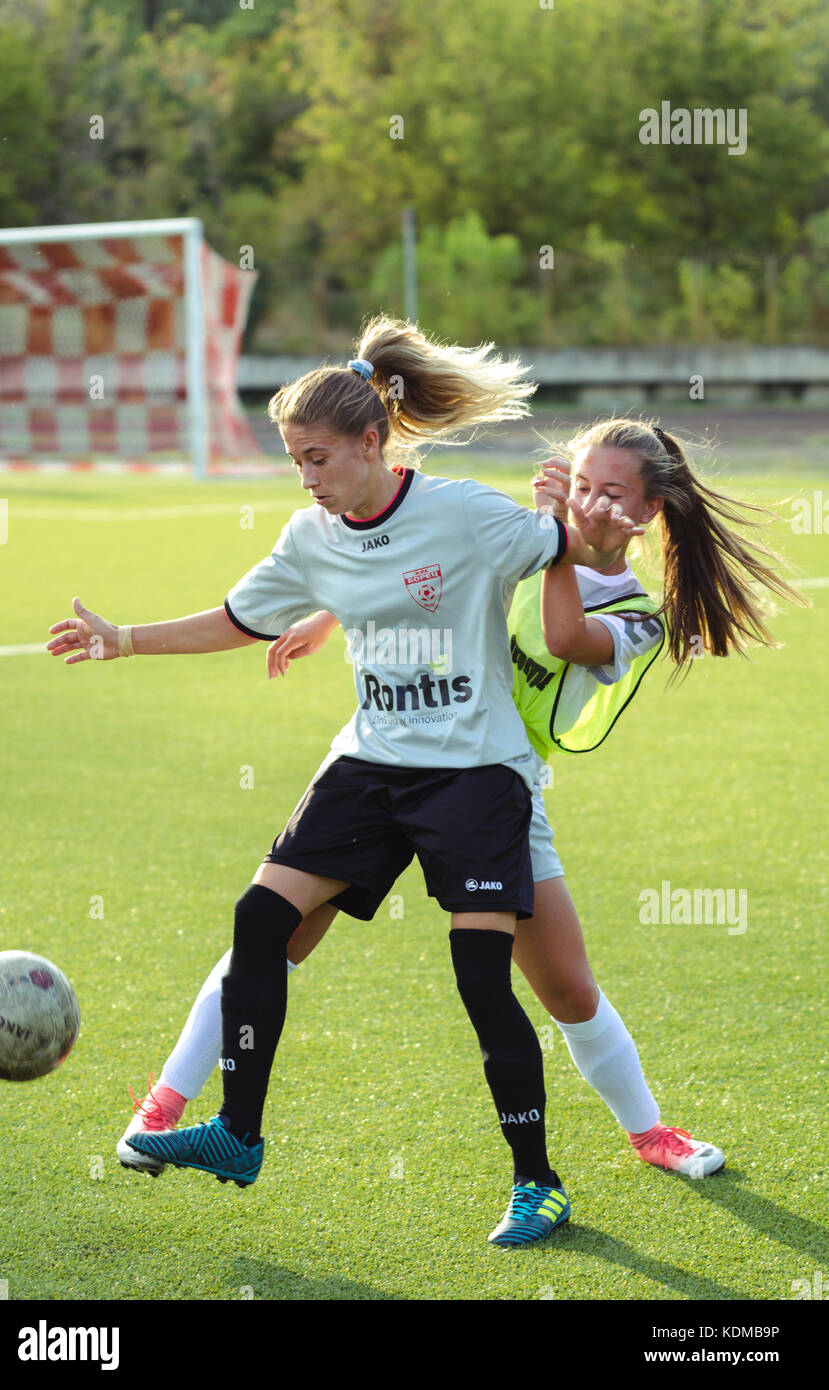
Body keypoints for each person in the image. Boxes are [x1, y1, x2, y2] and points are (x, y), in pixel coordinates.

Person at [48, 317, 644, 1247]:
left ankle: (538, 1182)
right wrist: (123, 638)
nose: (307, 478)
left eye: (317, 457)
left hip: (474, 776)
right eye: (295, 462)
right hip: (370, 766)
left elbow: (566, 553)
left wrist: (599, 537)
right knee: (258, 920)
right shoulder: (311, 533)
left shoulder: (461, 512)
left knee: (483, 980)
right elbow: (240, 618)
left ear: (372, 442)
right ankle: (238, 1133)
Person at [114, 418, 803, 1199]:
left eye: (609, 493)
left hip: (492, 787)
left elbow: (563, 633)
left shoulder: (639, 610)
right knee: (274, 932)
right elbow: (418, 565)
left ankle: (649, 1135)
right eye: (579, 484)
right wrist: (324, 616)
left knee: (565, 990)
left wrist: (553, 544)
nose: (587, 502)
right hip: (393, 762)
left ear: (646, 514)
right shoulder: (519, 531)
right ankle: (164, 1108)